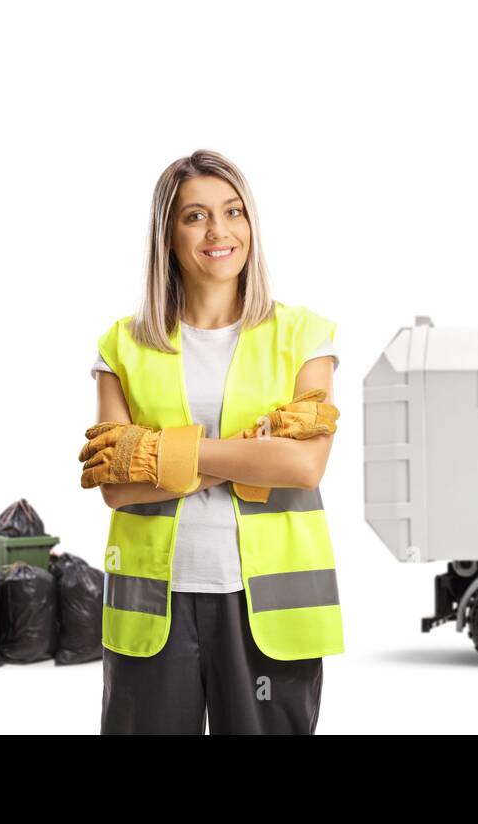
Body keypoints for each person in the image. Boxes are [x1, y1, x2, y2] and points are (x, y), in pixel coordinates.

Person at [81, 149, 343, 734]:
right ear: (167, 236)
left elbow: (303, 465)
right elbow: (117, 488)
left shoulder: (304, 336)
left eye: (233, 212)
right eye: (195, 216)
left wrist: (163, 453)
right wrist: (251, 453)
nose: (219, 231)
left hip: (267, 611)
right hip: (156, 604)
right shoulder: (122, 345)